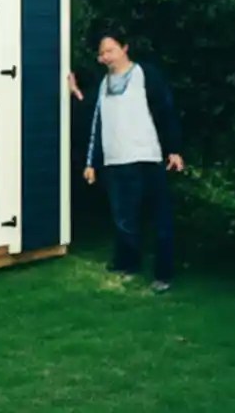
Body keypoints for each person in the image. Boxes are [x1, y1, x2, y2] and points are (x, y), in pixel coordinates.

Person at [70, 32, 184, 294]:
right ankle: (128, 264)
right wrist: (92, 163)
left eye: (111, 50)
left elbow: (165, 111)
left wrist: (174, 149)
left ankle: (163, 274)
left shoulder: (146, 75)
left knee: (160, 219)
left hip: (148, 157)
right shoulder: (102, 85)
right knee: (124, 219)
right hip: (116, 162)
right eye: (102, 53)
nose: (106, 56)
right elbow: (95, 124)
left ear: (124, 48)